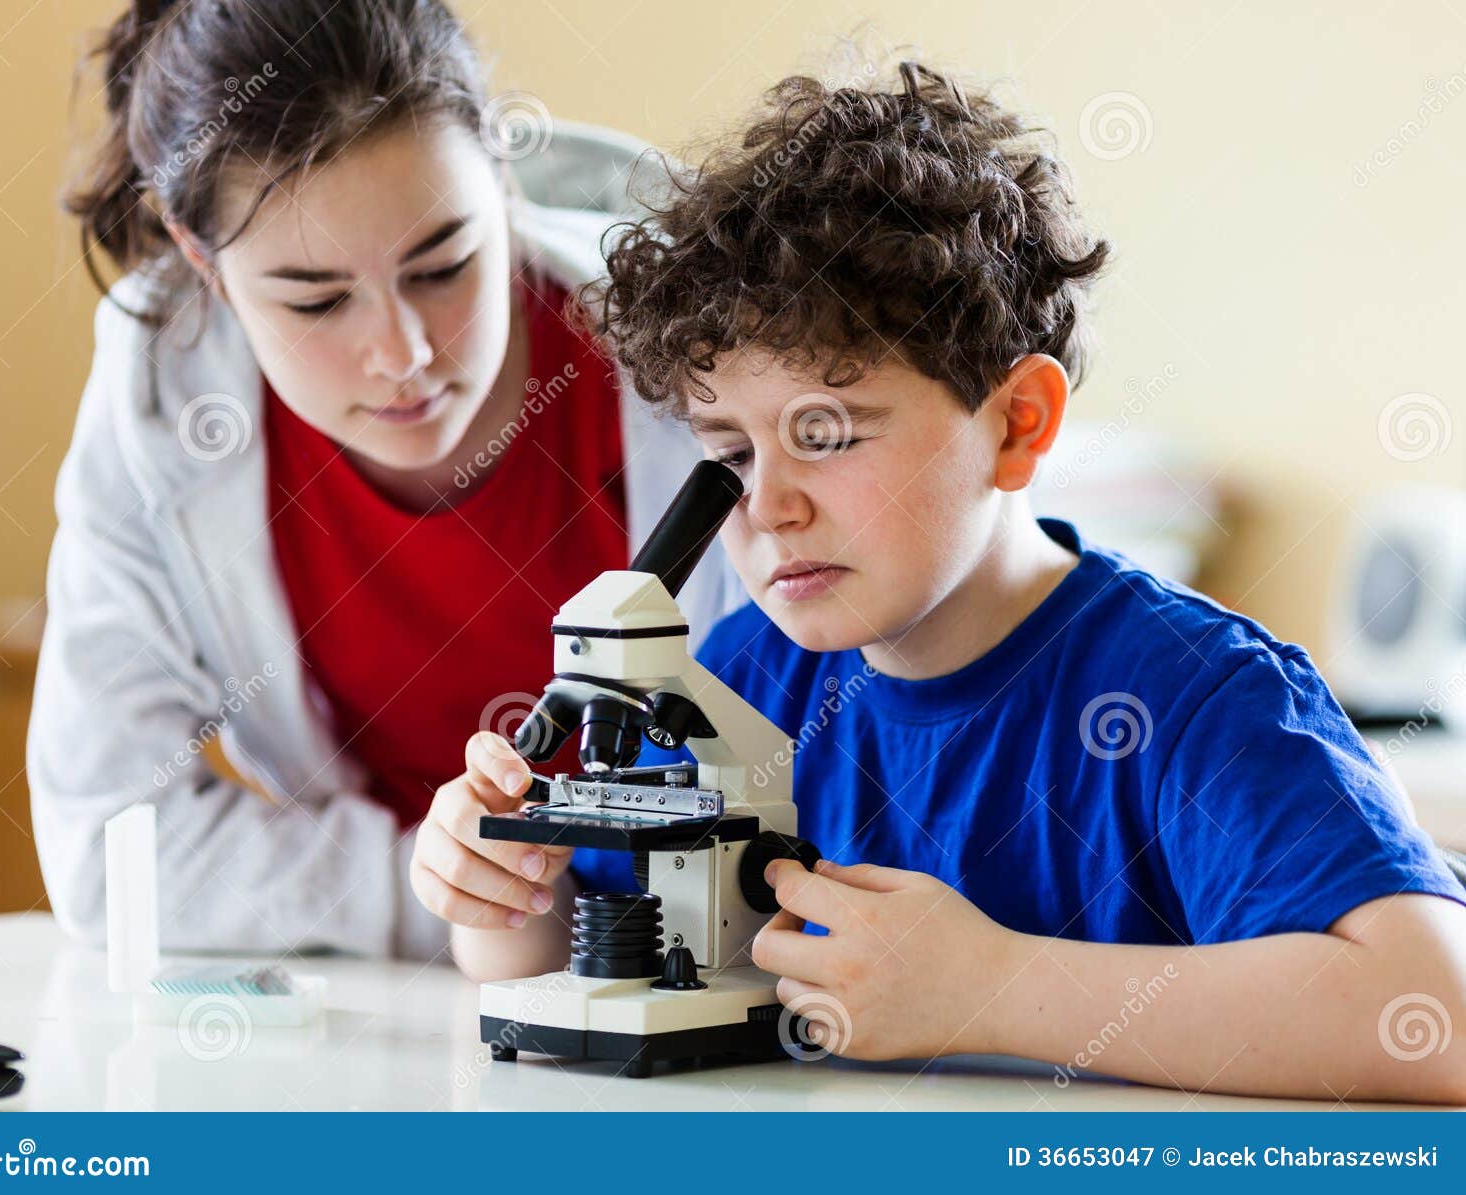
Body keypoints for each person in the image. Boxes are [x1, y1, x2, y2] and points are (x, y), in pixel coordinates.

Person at [416, 60, 1466, 1103]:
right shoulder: (738, 683)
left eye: (824, 434)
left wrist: (994, 986)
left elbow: (1434, 1019)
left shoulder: (1191, 695)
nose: (768, 505)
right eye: (728, 453)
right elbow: (539, 960)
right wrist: (497, 890)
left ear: (1015, 424)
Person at [28, 0, 740, 959]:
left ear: (501, 173)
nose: (403, 354)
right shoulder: (159, 398)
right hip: (406, 1017)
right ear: (205, 263)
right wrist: (465, 894)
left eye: (443, 265)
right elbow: (109, 850)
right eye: (317, 300)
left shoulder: (714, 358)